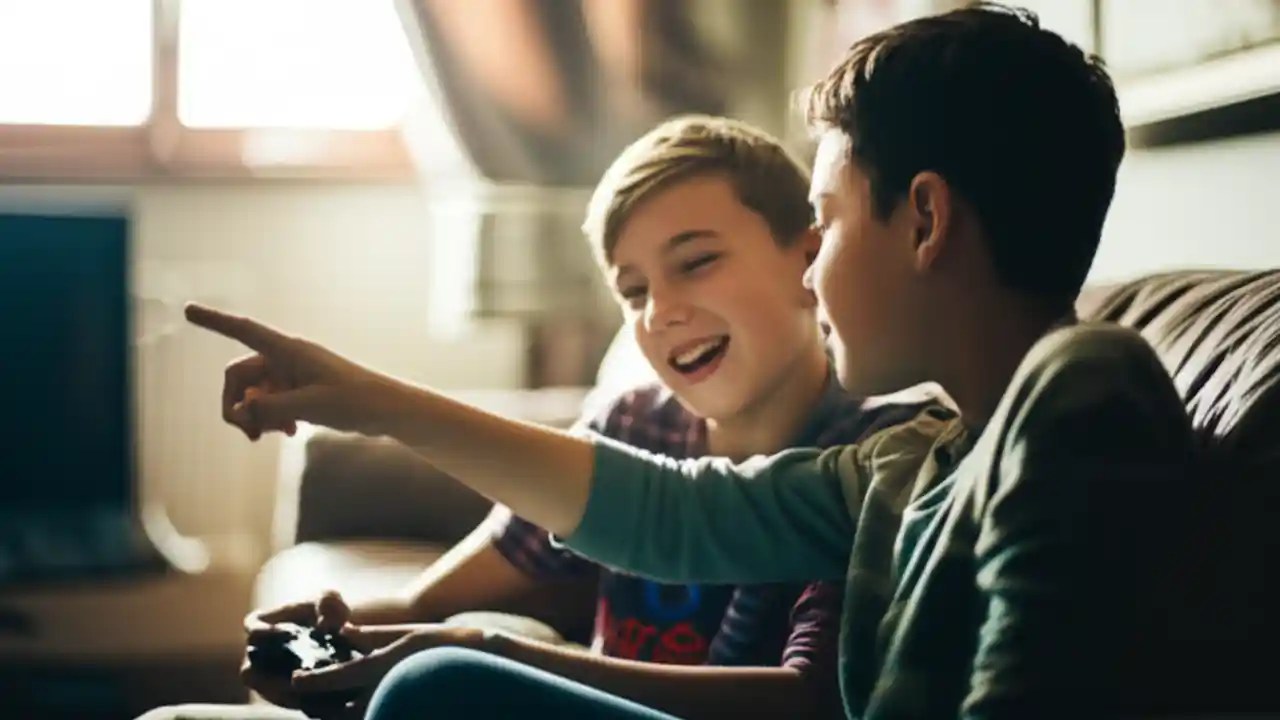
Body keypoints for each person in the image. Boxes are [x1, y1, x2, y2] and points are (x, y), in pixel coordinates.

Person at [184, 4, 1198, 718]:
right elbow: (665, 512)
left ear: (923, 220)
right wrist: (371, 401)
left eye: (825, 224)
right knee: (445, 675)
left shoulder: (1081, 389)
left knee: (437, 690)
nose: (812, 271)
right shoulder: (912, 462)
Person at [148, 116, 941, 720]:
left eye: (696, 261)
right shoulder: (637, 421)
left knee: (451, 674)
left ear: (809, 262)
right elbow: (436, 601)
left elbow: (807, 700)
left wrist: (477, 651)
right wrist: (341, 638)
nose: (661, 312)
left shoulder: (878, 454)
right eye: (633, 292)